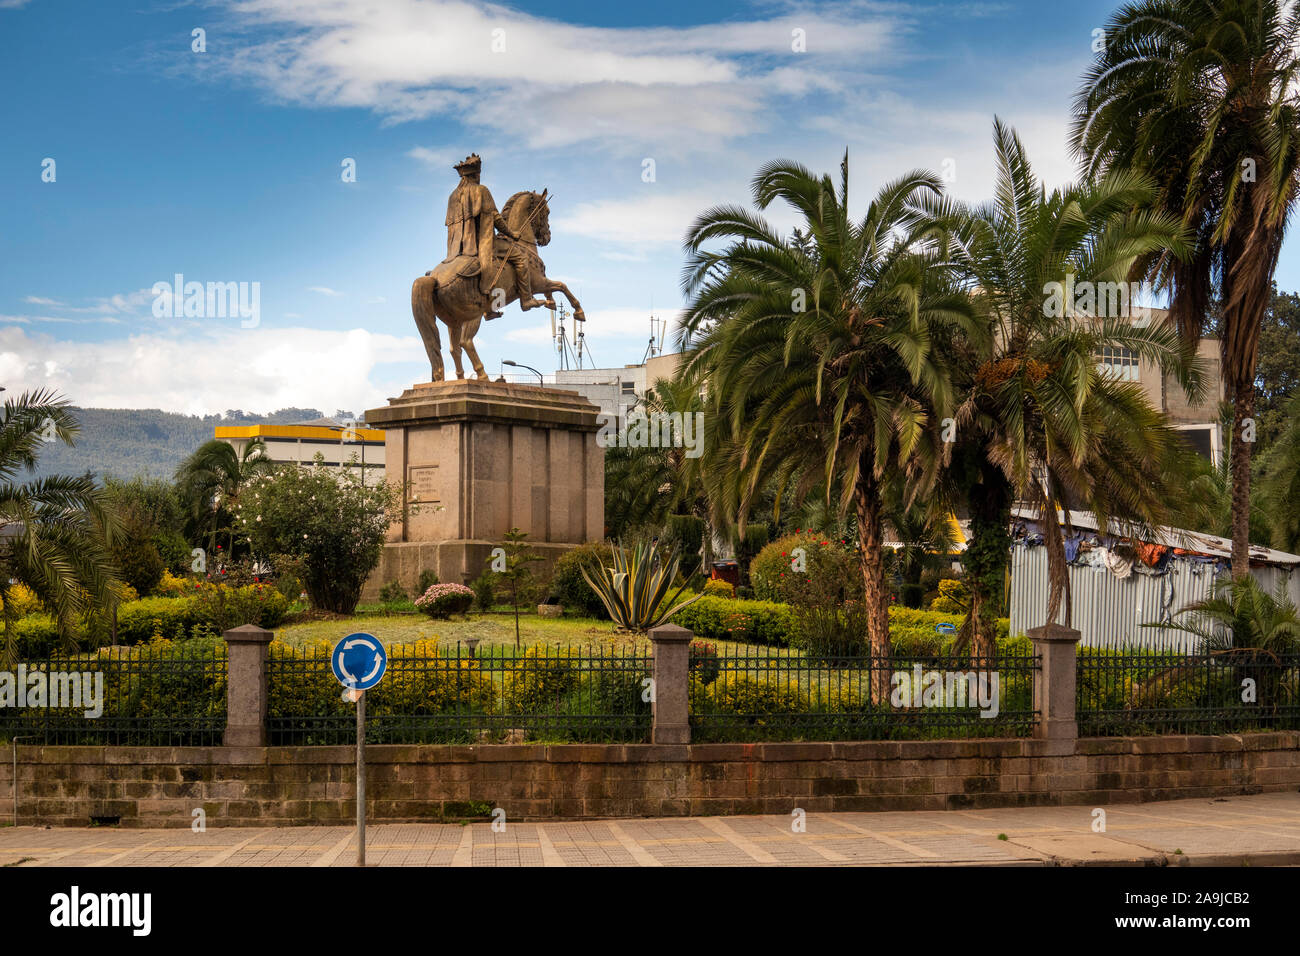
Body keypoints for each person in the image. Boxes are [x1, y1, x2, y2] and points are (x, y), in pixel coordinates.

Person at [444, 153, 541, 318]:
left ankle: (490, 308)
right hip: (482, 243)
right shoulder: (481, 190)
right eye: (478, 174)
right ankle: (526, 300)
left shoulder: (453, 196)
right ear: (475, 174)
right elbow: (495, 217)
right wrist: (513, 233)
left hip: (456, 250)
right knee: (520, 259)